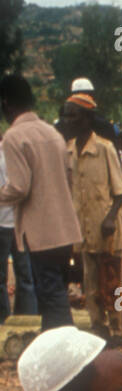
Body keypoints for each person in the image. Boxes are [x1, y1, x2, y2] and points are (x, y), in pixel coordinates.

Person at [0, 74, 82, 329]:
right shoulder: (53, 133)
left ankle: (70, 354)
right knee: (54, 294)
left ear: (6, 104)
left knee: (53, 299)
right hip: (64, 230)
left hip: (40, 234)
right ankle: (56, 352)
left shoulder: (14, 137)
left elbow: (20, 187)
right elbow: (68, 178)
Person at [64, 91, 122, 345]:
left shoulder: (105, 149)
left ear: (87, 118)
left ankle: (121, 328)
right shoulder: (69, 151)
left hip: (109, 229)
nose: (68, 120)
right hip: (84, 227)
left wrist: (110, 218)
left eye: (73, 115)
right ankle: (99, 327)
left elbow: (120, 191)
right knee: (91, 283)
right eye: (67, 115)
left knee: (116, 282)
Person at [0, 130, 37, 321]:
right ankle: (28, 319)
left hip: (2, 223)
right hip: (20, 222)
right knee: (25, 275)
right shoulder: (15, 155)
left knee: (1, 278)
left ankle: (4, 321)